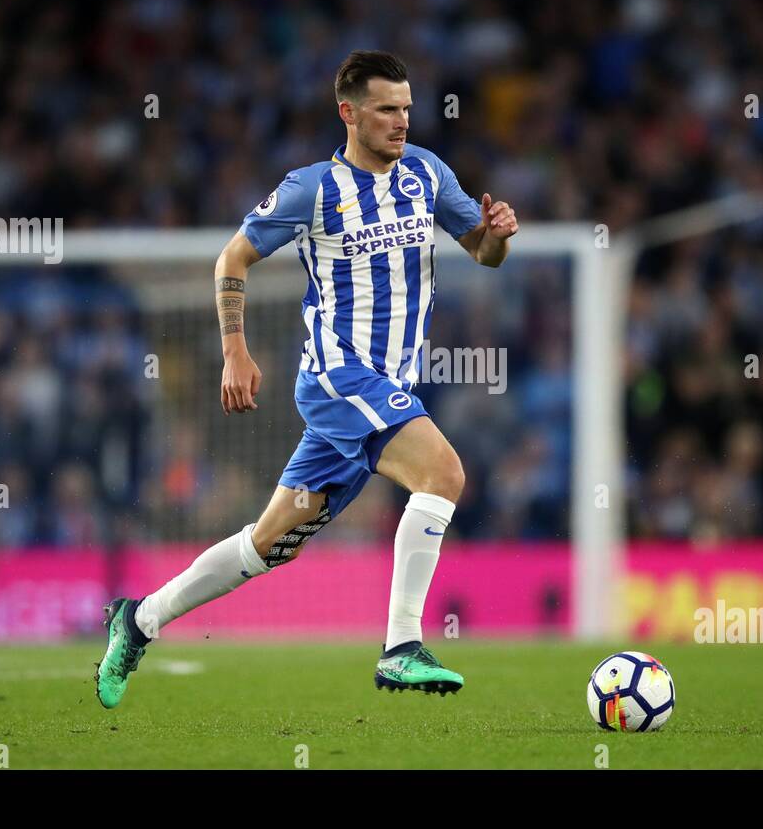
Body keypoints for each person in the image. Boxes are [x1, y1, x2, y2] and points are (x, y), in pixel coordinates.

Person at [95, 50, 518, 708]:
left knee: (267, 546)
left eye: (406, 108)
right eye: (386, 109)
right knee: (444, 474)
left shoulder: (428, 175)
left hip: (387, 387)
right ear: (348, 112)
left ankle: (139, 620)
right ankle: (402, 647)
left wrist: (497, 236)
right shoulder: (311, 189)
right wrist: (235, 350)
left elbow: (483, 254)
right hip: (338, 377)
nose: (401, 121)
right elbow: (233, 257)